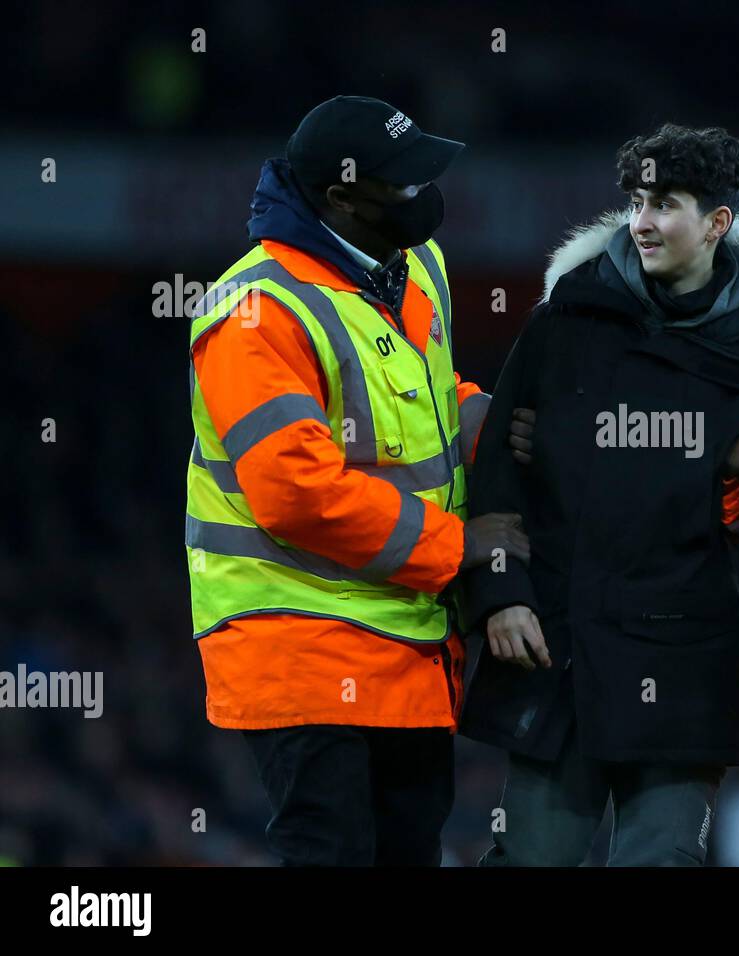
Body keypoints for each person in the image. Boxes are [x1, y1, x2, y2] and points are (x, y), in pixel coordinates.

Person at [458, 123, 739, 866]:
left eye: (665, 203)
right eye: (636, 201)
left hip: (685, 651)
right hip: (557, 642)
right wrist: (500, 592)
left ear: (717, 223)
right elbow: (503, 470)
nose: (641, 221)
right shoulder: (566, 322)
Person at [184, 95, 526, 866]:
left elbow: (430, 405)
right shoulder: (255, 310)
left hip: (405, 641)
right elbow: (293, 488)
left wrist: (499, 427)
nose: (421, 195)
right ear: (340, 196)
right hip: (301, 641)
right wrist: (461, 545)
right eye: (401, 183)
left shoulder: (412, 267)